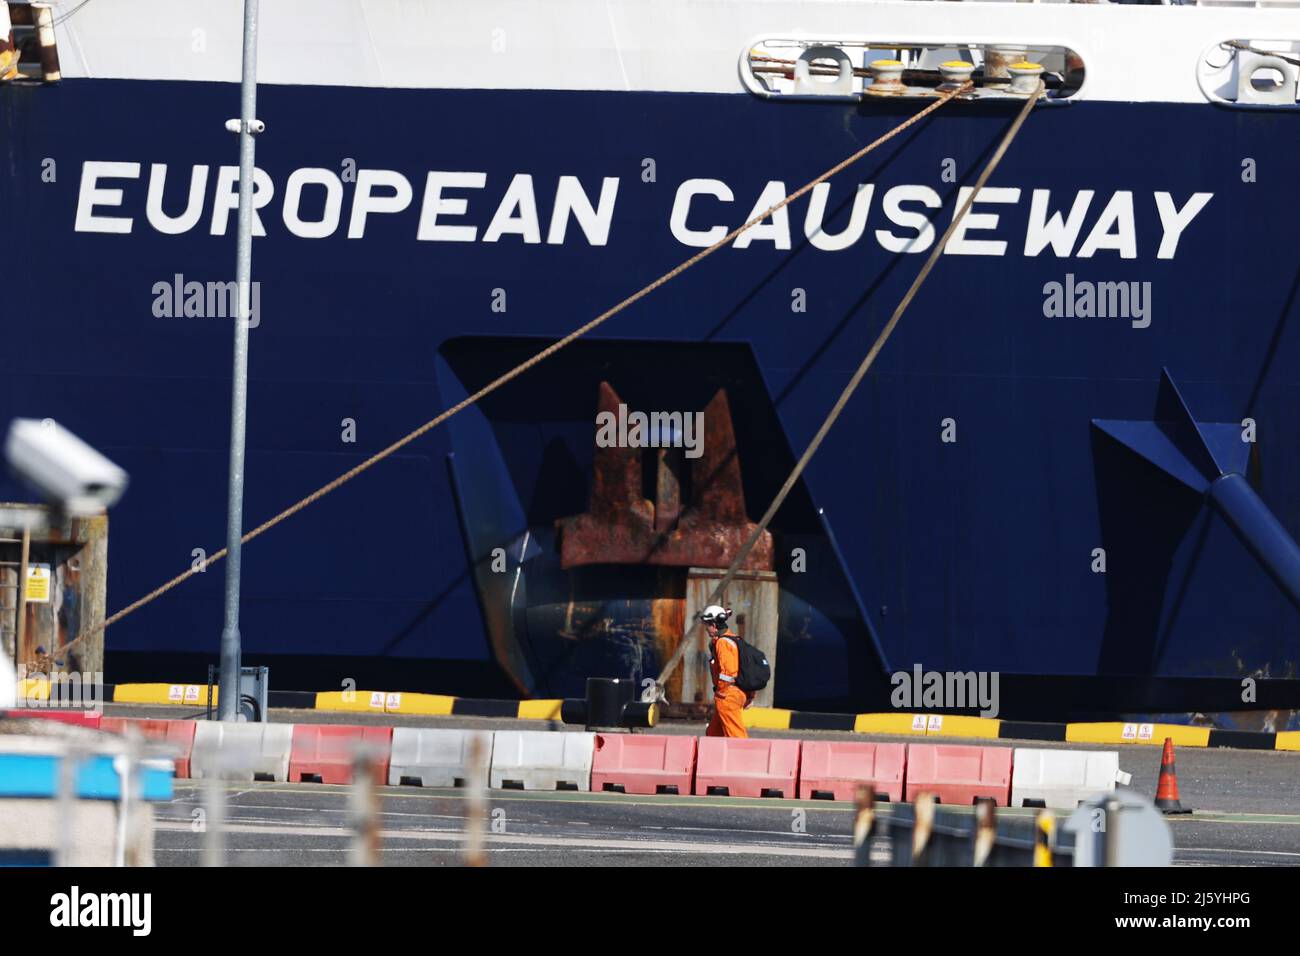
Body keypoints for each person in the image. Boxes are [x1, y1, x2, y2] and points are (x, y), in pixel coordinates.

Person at [702, 605, 754, 737]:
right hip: (737, 692)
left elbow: (728, 673)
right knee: (713, 734)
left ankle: (746, 757)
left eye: (707, 625)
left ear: (713, 625)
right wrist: (750, 695)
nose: (706, 628)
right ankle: (710, 757)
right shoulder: (734, 639)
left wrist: (721, 694)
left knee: (736, 737)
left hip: (728, 696)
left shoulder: (722, 643)